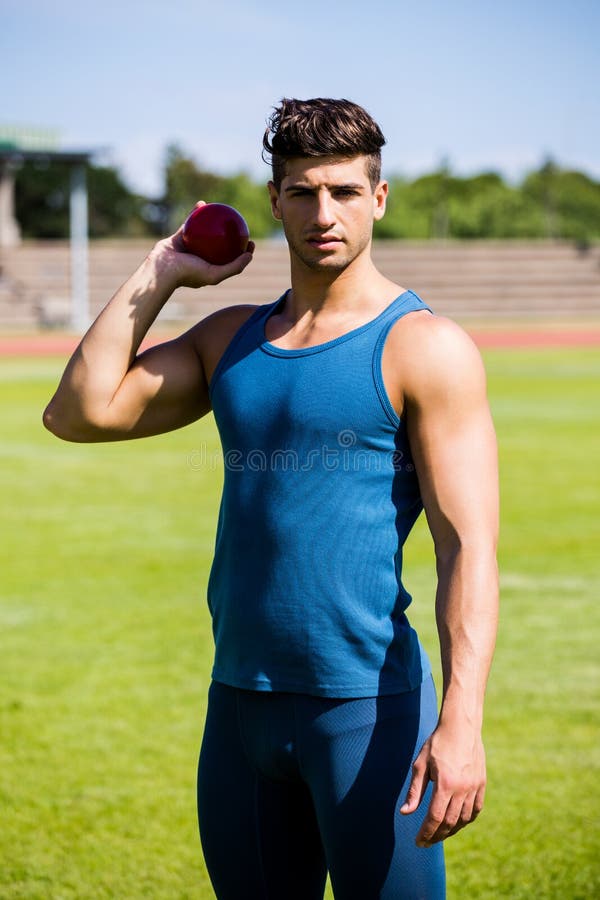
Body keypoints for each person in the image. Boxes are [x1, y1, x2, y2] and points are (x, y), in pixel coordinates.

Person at [44, 97, 499, 900]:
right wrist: (165, 269)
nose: (324, 214)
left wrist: (461, 720)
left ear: (378, 198)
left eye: (345, 192)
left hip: (366, 713)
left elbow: (467, 547)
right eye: (302, 192)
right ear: (275, 201)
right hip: (239, 711)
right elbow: (79, 413)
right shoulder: (229, 341)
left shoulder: (426, 347)